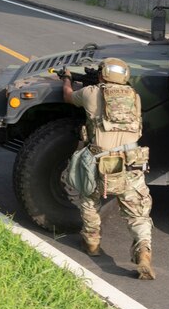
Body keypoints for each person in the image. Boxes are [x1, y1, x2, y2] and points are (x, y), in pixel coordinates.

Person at [61, 58, 156, 280]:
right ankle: (143, 251)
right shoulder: (135, 97)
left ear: (102, 74)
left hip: (100, 161)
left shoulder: (91, 93)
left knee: (89, 197)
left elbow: (67, 96)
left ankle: (92, 242)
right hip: (131, 162)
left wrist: (67, 78)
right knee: (138, 213)